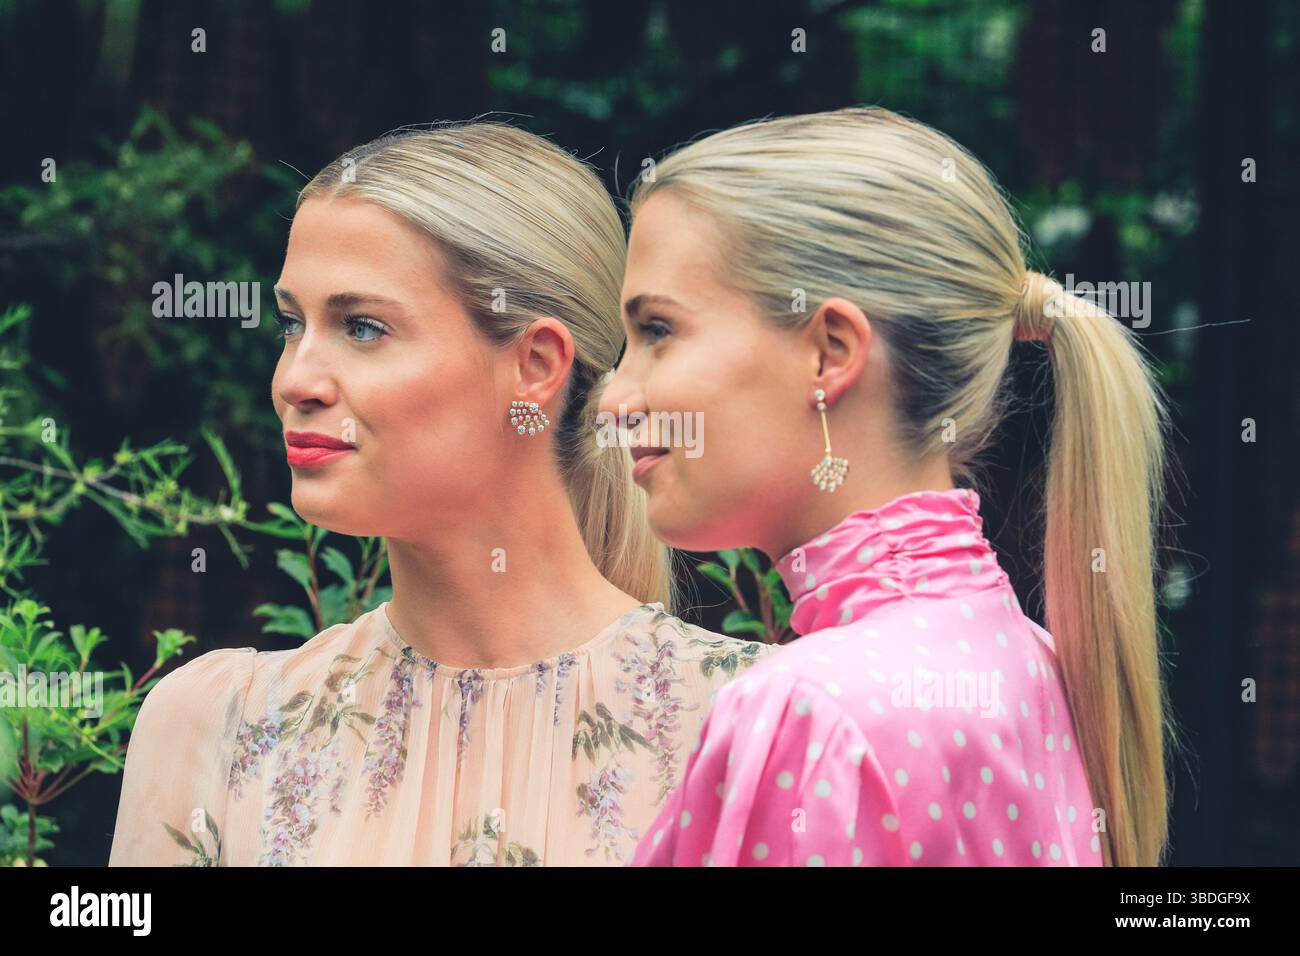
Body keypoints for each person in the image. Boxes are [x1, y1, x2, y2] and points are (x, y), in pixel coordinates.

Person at [108, 121, 774, 866]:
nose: (296, 379)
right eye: (292, 325)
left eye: (361, 327)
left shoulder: (744, 730)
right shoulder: (216, 728)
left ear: (535, 366)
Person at [601, 106, 1177, 867]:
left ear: (830, 353)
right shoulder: (1034, 663)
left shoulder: (810, 711)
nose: (615, 397)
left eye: (659, 332)